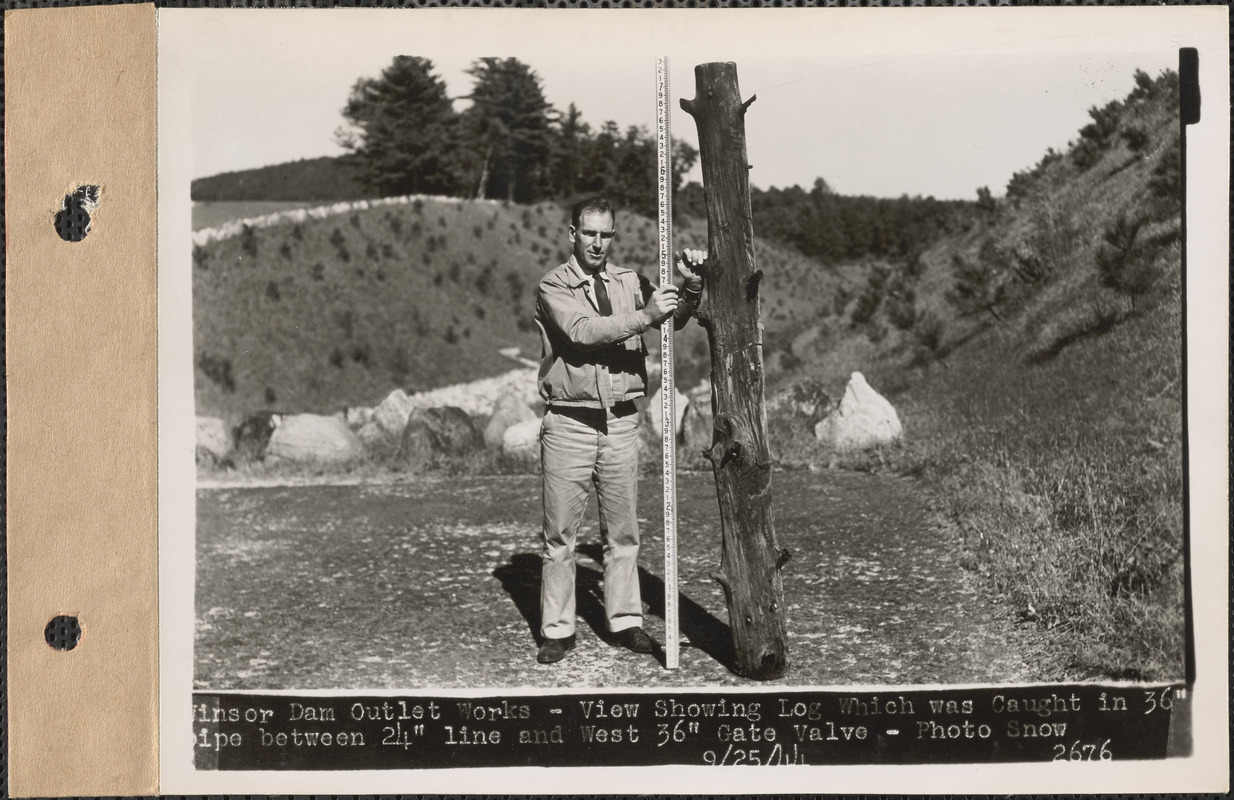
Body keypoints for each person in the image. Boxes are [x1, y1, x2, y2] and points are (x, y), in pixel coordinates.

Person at [532, 195, 706, 664]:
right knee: (560, 536)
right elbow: (583, 331)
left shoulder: (629, 282)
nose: (597, 242)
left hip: (621, 423)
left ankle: (626, 621)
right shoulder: (554, 285)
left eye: (605, 234)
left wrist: (689, 288)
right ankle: (557, 629)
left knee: (624, 532)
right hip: (569, 420)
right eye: (588, 233)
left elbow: (676, 321)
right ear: (573, 235)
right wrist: (647, 315)